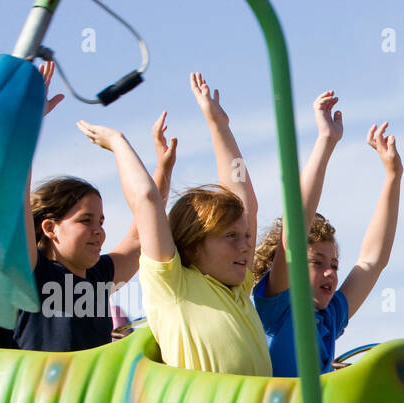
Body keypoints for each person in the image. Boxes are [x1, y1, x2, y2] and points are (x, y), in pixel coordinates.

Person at [77, 72, 270, 375]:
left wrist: (220, 126)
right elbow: (147, 200)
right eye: (231, 236)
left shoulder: (237, 285)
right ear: (193, 247)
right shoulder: (172, 283)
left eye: (245, 236)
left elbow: (245, 200)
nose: (246, 245)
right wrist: (117, 142)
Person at [14, 64, 177, 351]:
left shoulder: (100, 276)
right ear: (50, 228)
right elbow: (15, 194)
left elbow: (142, 234)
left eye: (100, 222)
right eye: (85, 220)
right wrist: (27, 124)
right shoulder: (33, 272)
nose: (98, 232)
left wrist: (163, 170)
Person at [250, 91, 403, 376]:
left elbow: (372, 260)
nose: (330, 273)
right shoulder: (278, 308)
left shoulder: (328, 316)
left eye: (333, 265)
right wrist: (326, 141)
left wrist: (393, 176)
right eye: (316, 262)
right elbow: (295, 229)